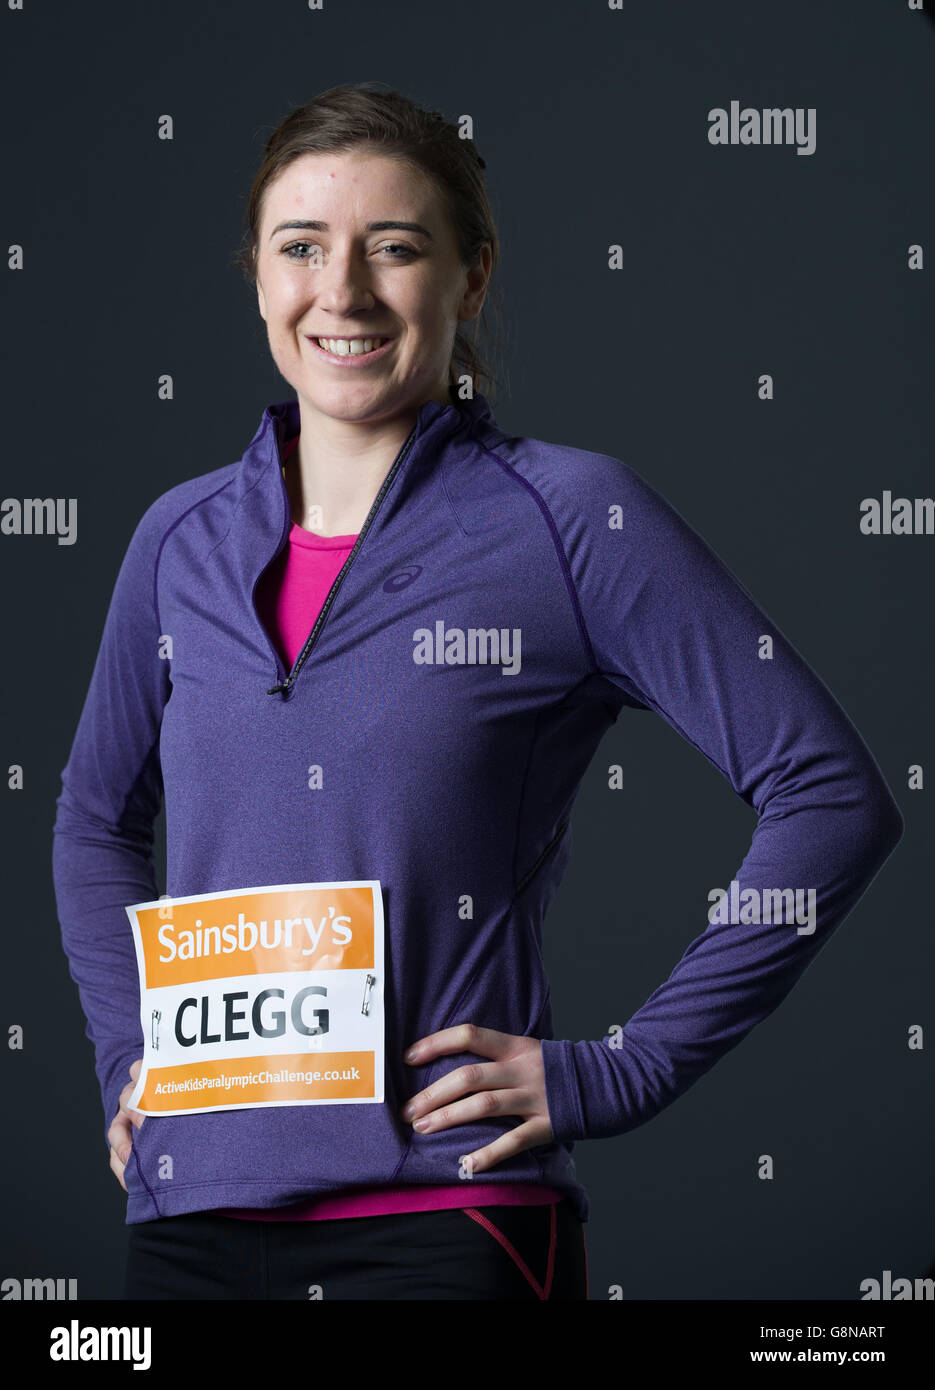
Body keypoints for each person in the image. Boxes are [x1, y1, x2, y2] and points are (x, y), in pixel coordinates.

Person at [52, 82, 903, 1302]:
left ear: (474, 274)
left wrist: (622, 1067)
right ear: (256, 274)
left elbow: (829, 796)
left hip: (449, 1221)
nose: (340, 293)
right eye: (302, 248)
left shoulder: (568, 519)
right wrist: (126, 1056)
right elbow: (90, 822)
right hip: (191, 1215)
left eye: (393, 249)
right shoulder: (174, 541)